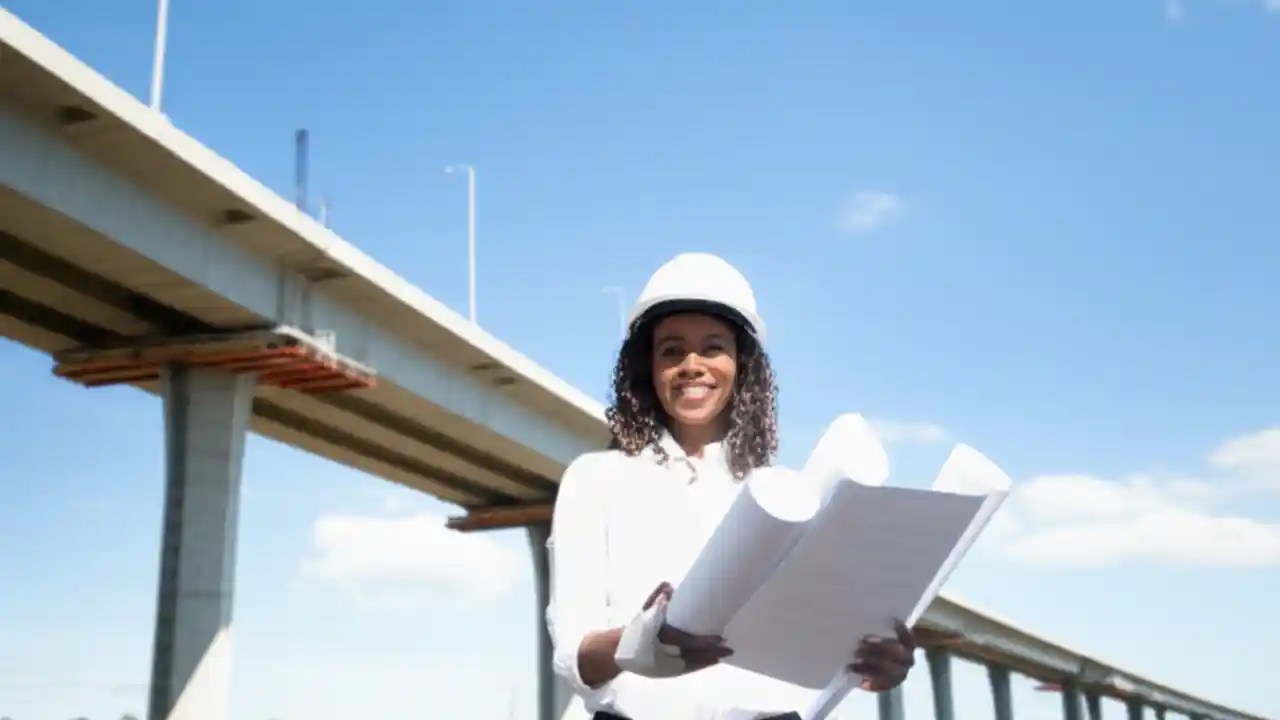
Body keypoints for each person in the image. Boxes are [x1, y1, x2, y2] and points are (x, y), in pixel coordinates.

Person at [545, 252, 917, 720]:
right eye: (672, 350)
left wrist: (870, 665)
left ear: (742, 364)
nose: (692, 365)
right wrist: (635, 647)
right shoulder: (594, 479)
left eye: (713, 348)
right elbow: (573, 655)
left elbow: (811, 648)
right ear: (648, 368)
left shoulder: (785, 497)